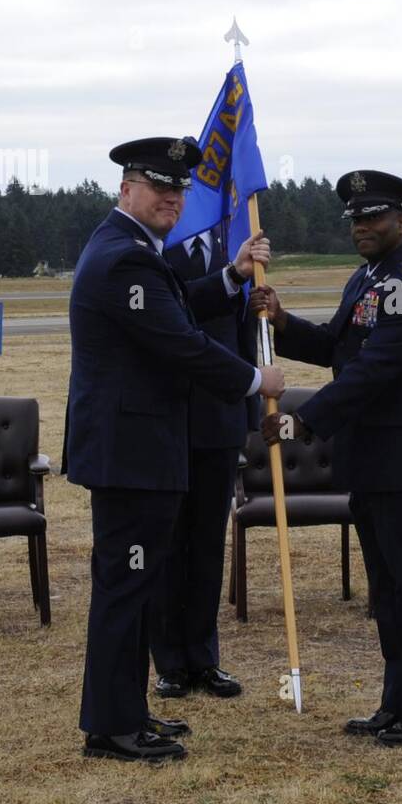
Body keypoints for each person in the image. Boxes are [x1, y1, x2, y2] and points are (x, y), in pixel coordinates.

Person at [62, 135, 284, 762]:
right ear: (127, 188)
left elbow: (178, 305)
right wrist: (254, 379)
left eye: (178, 189)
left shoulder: (131, 251)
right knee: (124, 589)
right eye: (159, 187)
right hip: (131, 454)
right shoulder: (126, 258)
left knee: (132, 586)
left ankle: (127, 713)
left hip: (136, 450)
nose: (171, 198)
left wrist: (233, 275)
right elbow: (182, 343)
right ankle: (110, 729)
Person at [249, 169, 402, 746]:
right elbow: (338, 350)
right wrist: (283, 322)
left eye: (373, 217)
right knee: (389, 594)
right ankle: (397, 704)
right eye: (355, 219)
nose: (362, 227)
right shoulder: (368, 278)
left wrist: (303, 420)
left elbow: (373, 373)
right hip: (373, 462)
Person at [151, 222, 257, 703]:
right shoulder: (155, 253)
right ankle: (169, 663)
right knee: (169, 544)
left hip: (219, 419)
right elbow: (176, 311)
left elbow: (244, 337)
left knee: (208, 544)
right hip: (170, 417)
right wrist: (231, 277)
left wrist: (249, 419)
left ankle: (204, 657)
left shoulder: (231, 245)